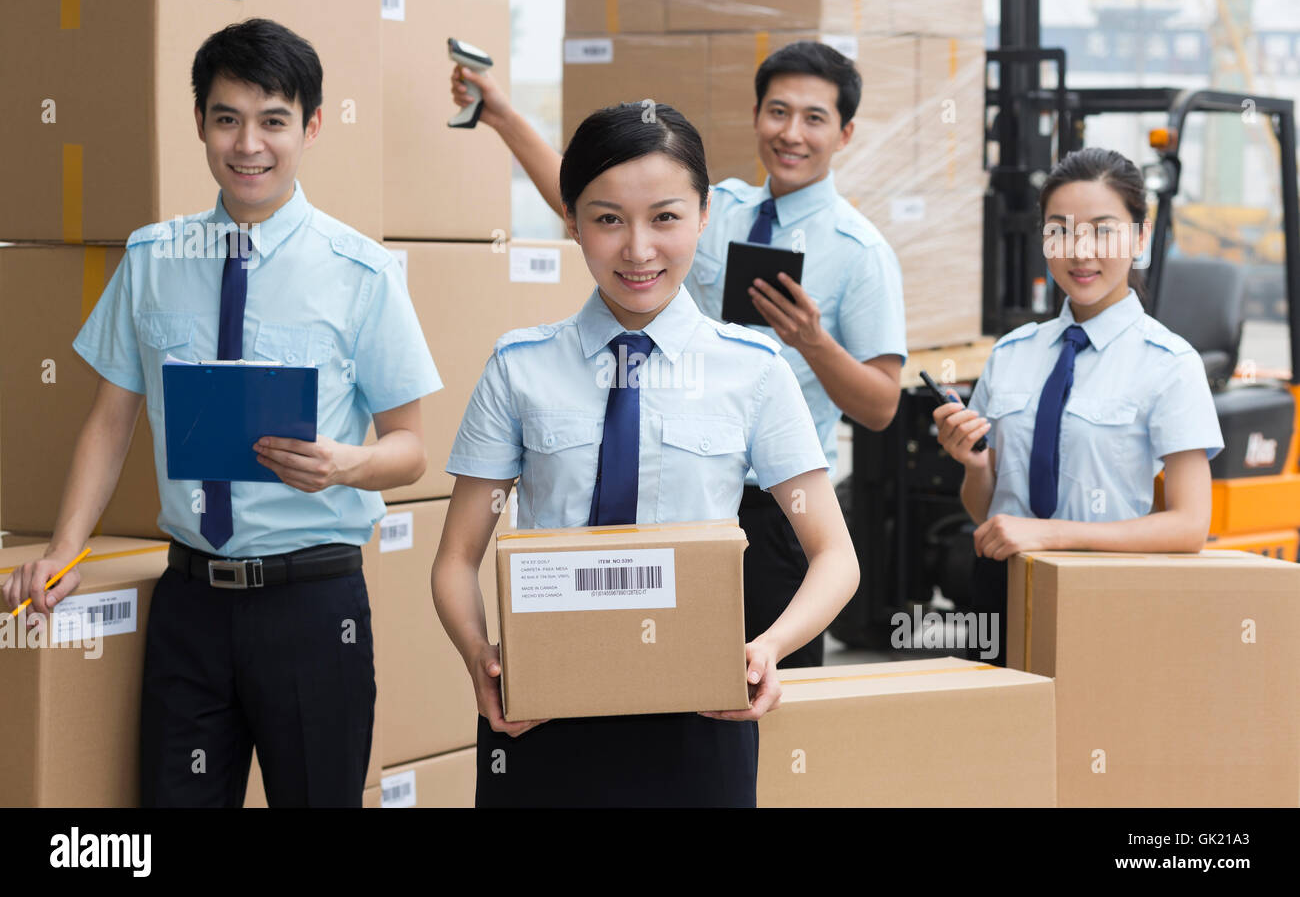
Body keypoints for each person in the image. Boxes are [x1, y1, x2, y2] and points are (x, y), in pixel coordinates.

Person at [2, 18, 441, 806]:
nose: (249, 145)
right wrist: (62, 550)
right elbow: (111, 420)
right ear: (199, 121)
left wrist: (345, 464)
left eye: (273, 120)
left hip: (313, 604)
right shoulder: (151, 260)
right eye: (226, 118)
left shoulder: (362, 273)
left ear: (310, 126)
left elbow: (411, 447)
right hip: (191, 604)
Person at [430, 102, 859, 807]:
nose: (637, 250)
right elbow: (455, 558)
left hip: (699, 715)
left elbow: (836, 556)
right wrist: (478, 657)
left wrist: (770, 647)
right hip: (540, 713)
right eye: (606, 219)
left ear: (704, 214)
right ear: (570, 220)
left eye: (664, 217)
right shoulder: (520, 368)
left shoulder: (752, 370)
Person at [451, 40, 904, 667]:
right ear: (754, 116)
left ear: (846, 133)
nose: (791, 133)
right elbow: (597, 189)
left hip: (773, 504)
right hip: (641, 465)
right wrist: (503, 115)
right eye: (777, 111)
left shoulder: (859, 253)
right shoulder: (710, 208)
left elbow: (882, 407)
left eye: (814, 118)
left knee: (747, 703)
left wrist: (812, 341)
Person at [933, 147, 1223, 665]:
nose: (1079, 249)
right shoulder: (1012, 354)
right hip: (1000, 592)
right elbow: (990, 510)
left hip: (1103, 593)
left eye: (1102, 229)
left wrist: (1050, 534)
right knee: (1000, 740)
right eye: (1060, 230)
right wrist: (975, 465)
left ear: (1140, 237)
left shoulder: (1170, 365)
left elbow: (1189, 526)